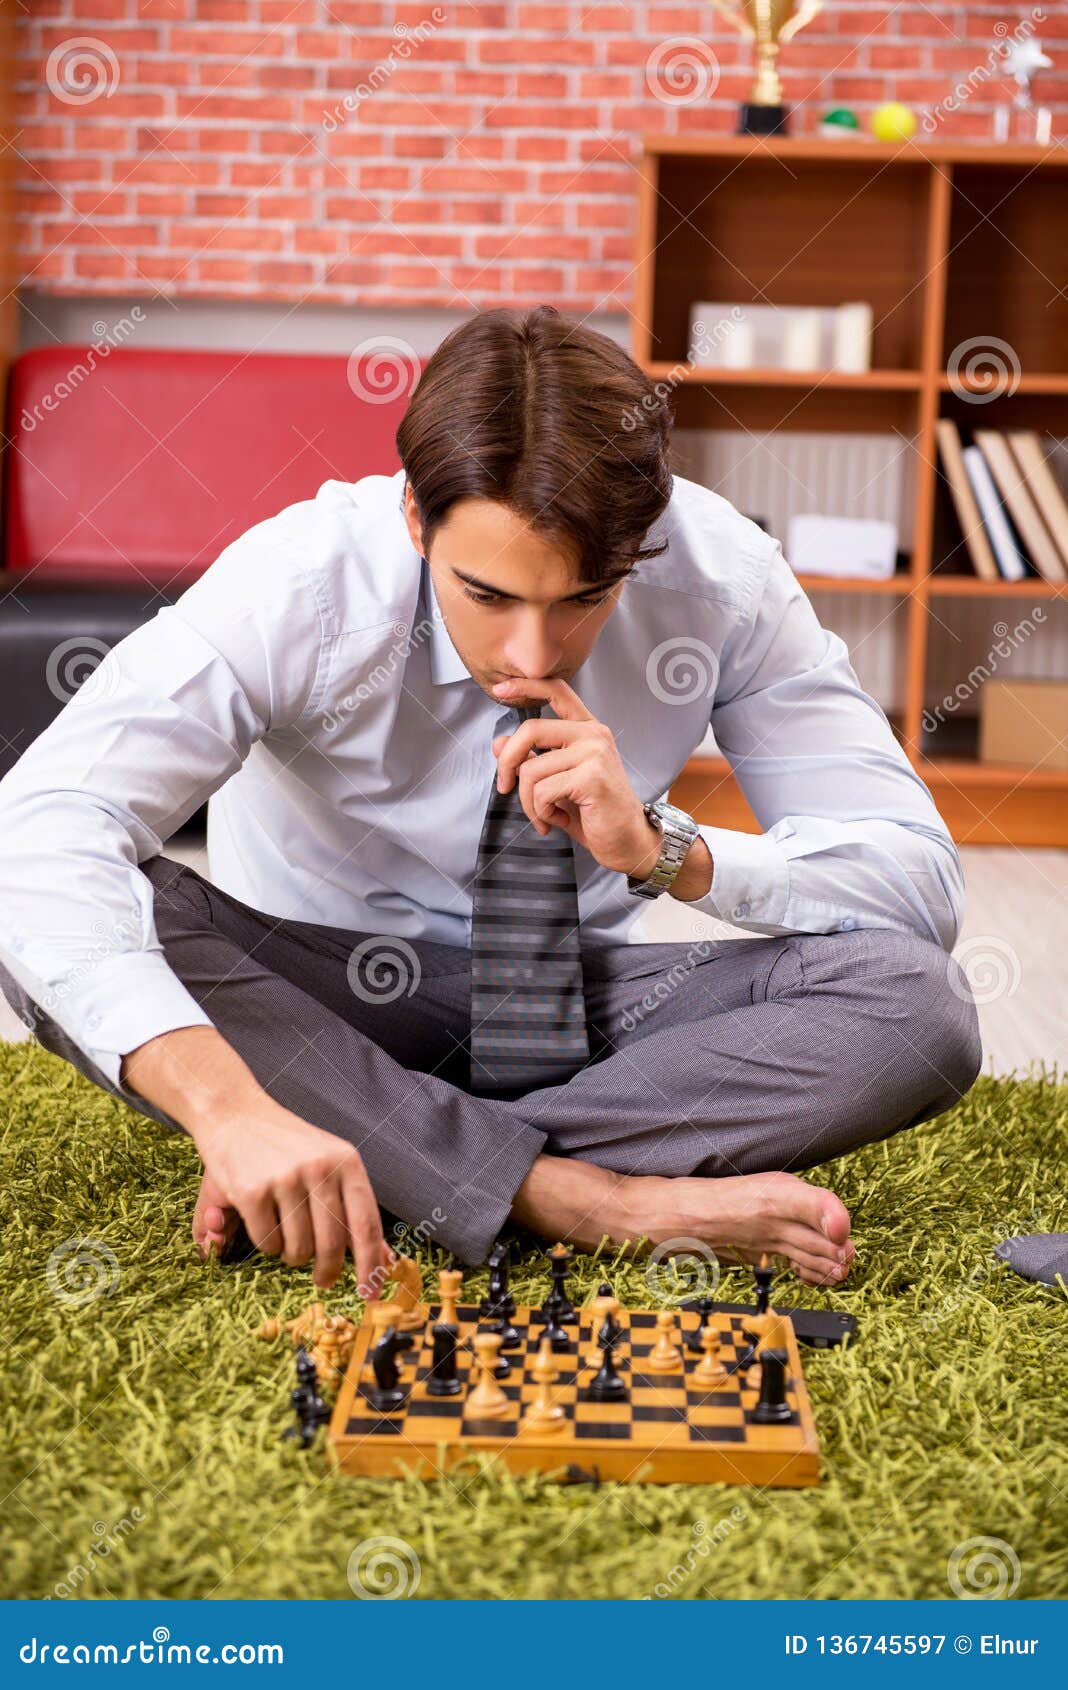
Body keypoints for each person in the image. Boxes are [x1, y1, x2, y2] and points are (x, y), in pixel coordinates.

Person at [0, 305, 981, 1299]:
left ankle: (389, 1159)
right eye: (489, 595)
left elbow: (918, 886)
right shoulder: (303, 583)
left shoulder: (724, 577)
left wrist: (664, 850)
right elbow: (40, 828)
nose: (533, 653)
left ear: (644, 543)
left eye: (585, 598)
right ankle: (586, 1199)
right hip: (324, 1010)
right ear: (415, 519)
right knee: (68, 913)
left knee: (918, 1005)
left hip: (582, 1015)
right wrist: (231, 1112)